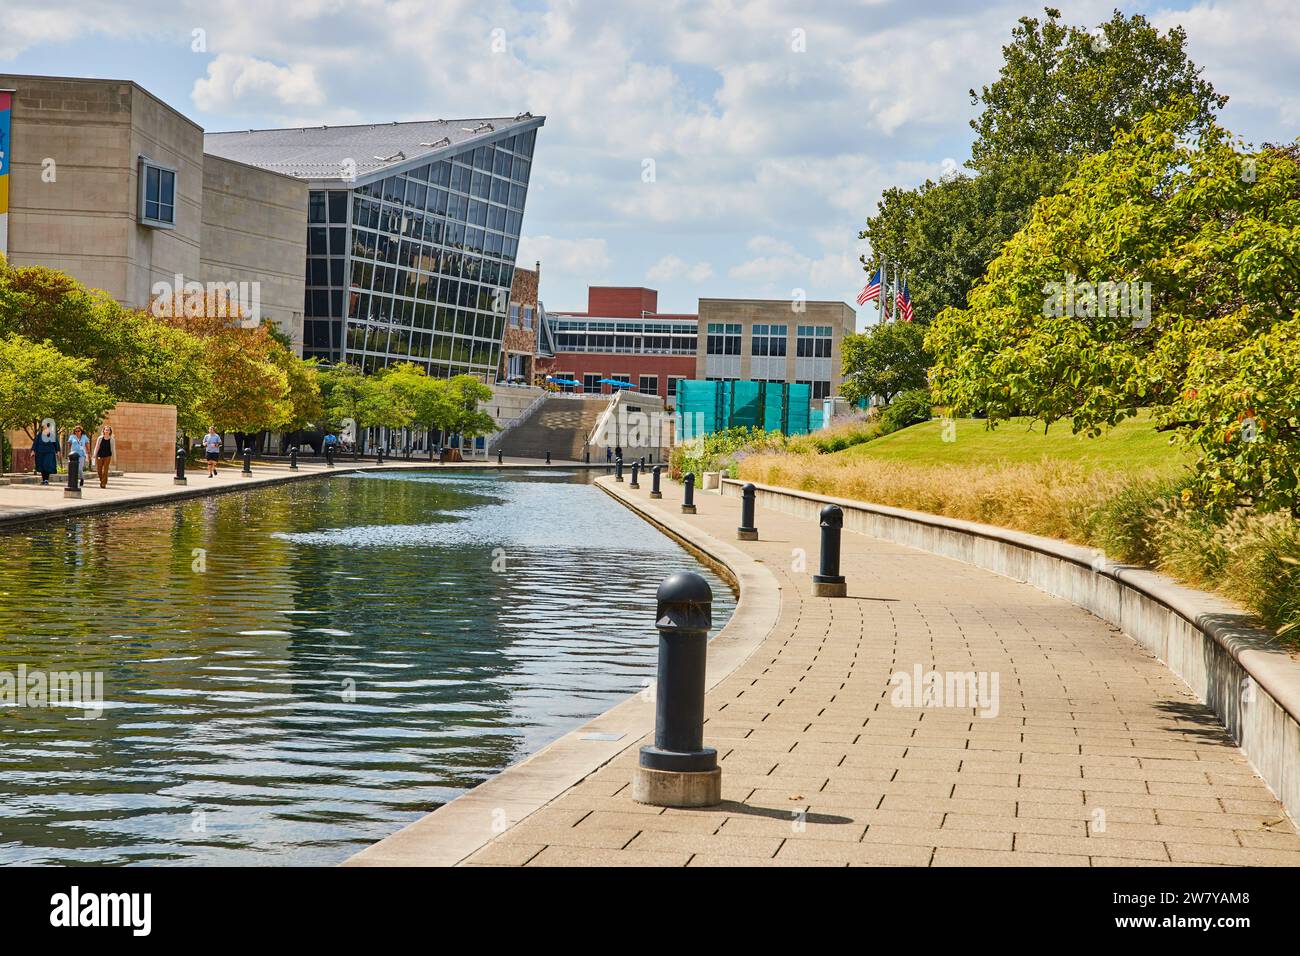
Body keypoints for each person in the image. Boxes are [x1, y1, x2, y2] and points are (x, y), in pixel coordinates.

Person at [91, 424, 115, 489]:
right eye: (106, 430)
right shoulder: (100, 438)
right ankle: (102, 480)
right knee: (99, 470)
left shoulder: (112, 439)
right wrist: (94, 455)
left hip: (108, 456)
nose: (107, 431)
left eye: (108, 430)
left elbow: (113, 449)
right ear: (103, 431)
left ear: (110, 431)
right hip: (100, 455)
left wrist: (114, 458)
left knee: (105, 470)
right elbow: (97, 447)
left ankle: (104, 483)